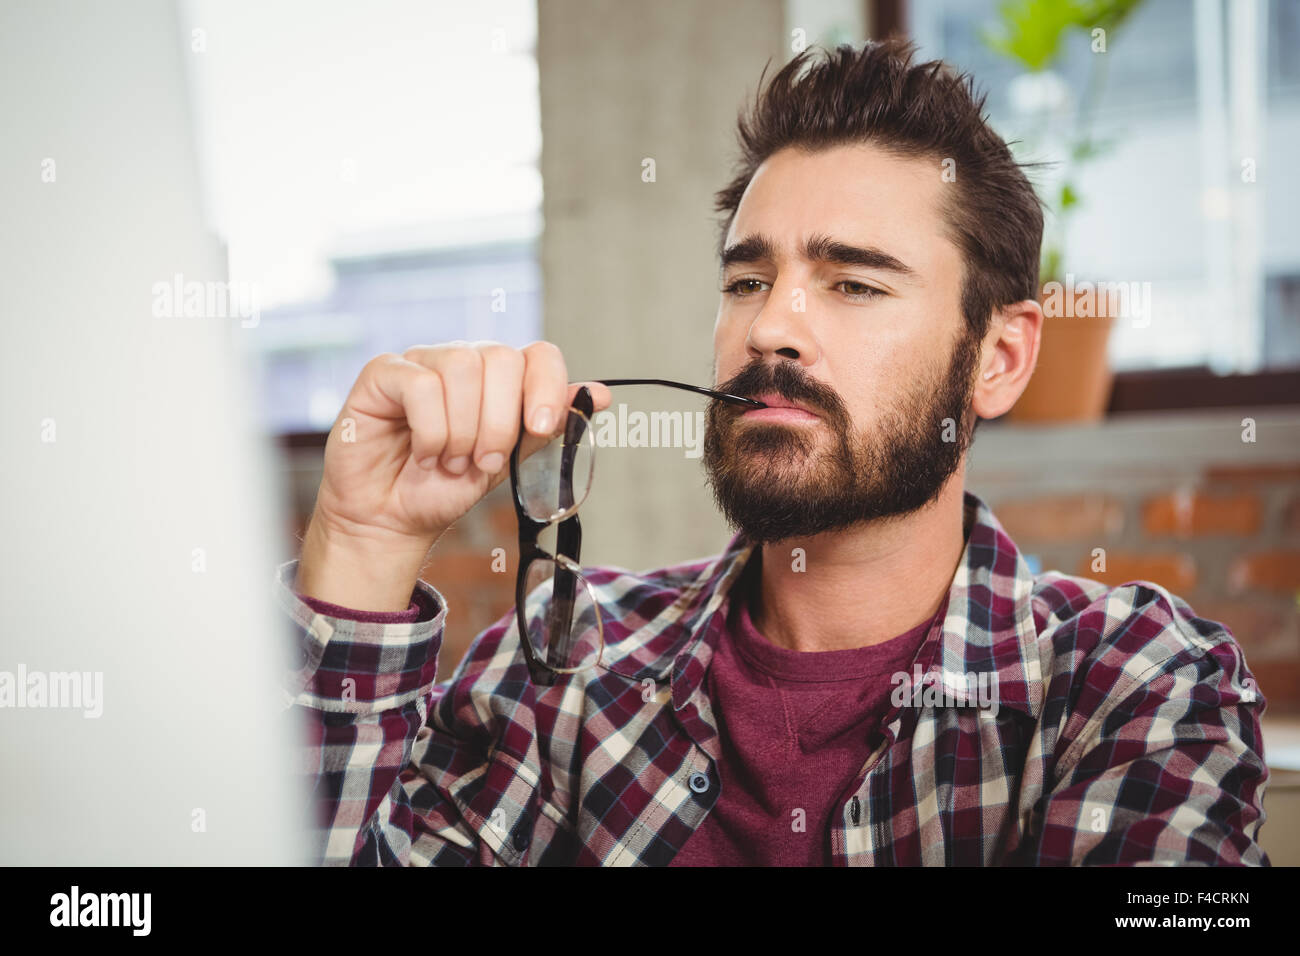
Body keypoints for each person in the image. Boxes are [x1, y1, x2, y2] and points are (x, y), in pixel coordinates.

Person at [280, 38, 1269, 866]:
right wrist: (362, 541)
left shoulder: (1139, 683)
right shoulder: (557, 672)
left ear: (1000, 357)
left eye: (853, 284)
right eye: (748, 281)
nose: (770, 330)